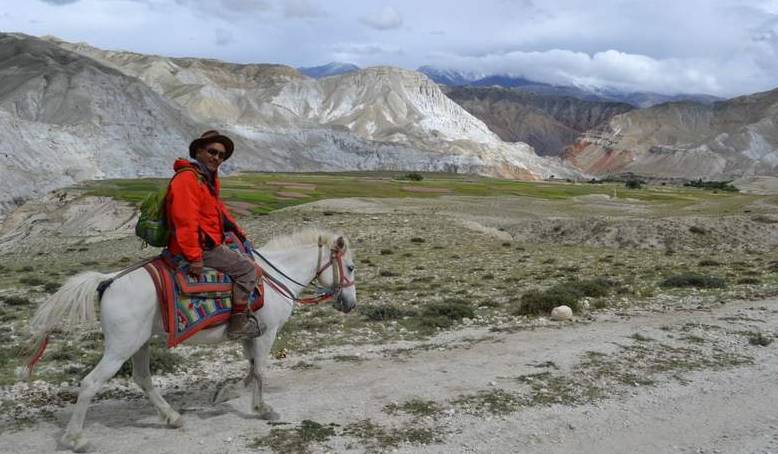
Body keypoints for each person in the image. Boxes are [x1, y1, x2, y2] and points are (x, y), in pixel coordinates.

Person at [166, 130, 260, 339]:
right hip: (200, 247)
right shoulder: (188, 179)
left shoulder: (205, 179)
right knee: (247, 270)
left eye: (221, 155)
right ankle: (238, 323)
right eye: (212, 152)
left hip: (206, 241)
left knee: (240, 251)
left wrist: (240, 235)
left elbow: (219, 211)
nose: (217, 158)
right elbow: (185, 220)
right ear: (199, 151)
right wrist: (194, 257)